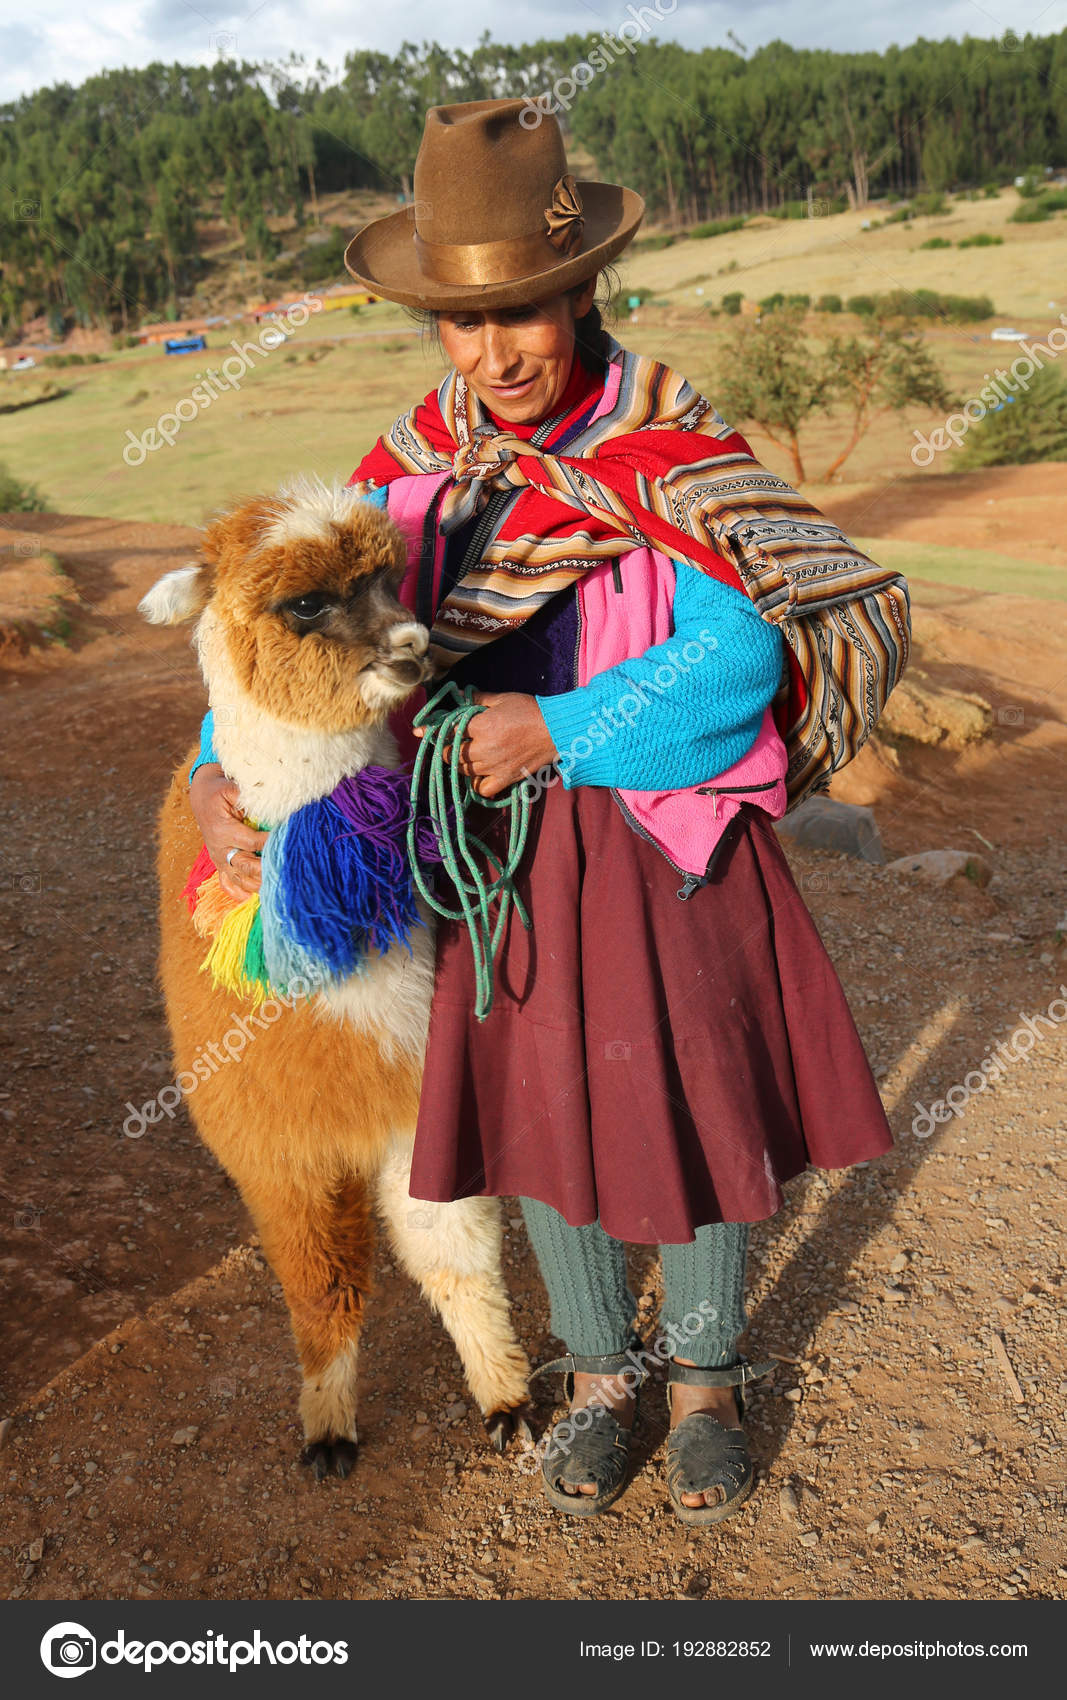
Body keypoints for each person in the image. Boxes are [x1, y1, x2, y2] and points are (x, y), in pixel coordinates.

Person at [189, 99, 894, 1525]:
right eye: (465, 322)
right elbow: (289, 631)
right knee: (538, 1113)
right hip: (483, 854)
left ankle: (704, 1375)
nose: (497, 351)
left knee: (686, 1103)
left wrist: (560, 726)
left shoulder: (668, 444)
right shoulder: (412, 467)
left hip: (659, 836)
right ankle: (597, 1376)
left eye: (527, 312)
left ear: (584, 293)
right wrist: (219, 765)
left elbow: (741, 647)